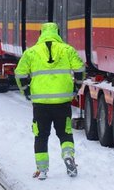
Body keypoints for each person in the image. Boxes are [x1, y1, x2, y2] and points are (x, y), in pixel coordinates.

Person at [13, 22, 85, 180]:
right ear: (58, 33)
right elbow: (80, 68)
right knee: (65, 133)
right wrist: (76, 88)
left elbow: (20, 73)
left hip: (40, 104)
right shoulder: (67, 50)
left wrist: (26, 91)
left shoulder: (31, 52)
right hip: (62, 102)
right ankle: (68, 155)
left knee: (41, 135)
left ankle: (43, 169)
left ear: (41, 33)